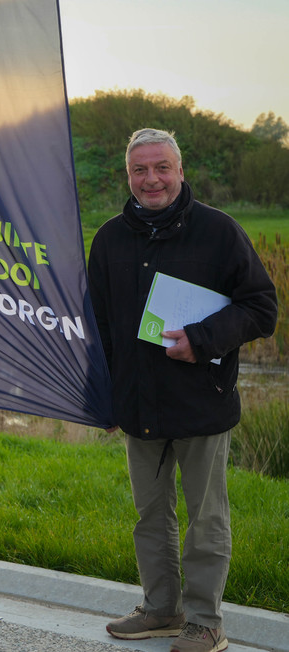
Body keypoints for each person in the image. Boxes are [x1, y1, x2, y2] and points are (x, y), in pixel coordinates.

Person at [88, 128, 276, 652]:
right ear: (128, 175)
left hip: (202, 401)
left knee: (206, 519)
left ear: (180, 170)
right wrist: (102, 396)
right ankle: (161, 608)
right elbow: (98, 327)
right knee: (150, 515)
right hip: (137, 405)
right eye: (140, 170)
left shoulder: (219, 232)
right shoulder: (109, 239)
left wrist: (201, 339)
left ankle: (205, 621)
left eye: (161, 168)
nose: (151, 180)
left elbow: (262, 307)